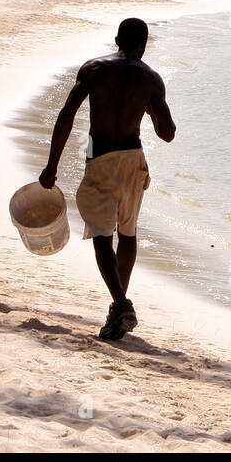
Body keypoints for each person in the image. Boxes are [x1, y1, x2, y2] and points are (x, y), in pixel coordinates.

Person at [39, 19, 176, 341]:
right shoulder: (151, 79)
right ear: (144, 44)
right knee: (127, 233)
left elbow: (67, 115)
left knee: (102, 235)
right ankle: (119, 305)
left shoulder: (94, 69)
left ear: (116, 40)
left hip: (99, 158)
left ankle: (120, 303)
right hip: (132, 159)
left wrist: (51, 166)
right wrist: (150, 105)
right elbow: (167, 134)